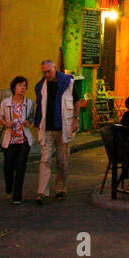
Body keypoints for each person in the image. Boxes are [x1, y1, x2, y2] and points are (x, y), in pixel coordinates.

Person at [31, 59, 86, 205]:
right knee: (45, 160)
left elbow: (76, 101)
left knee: (62, 161)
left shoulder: (68, 83)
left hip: (63, 127)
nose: (47, 74)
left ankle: (61, 187)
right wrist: (37, 124)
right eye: (44, 72)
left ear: (55, 68)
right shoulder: (40, 86)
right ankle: (41, 192)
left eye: (49, 71)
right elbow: (39, 106)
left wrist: (75, 120)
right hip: (47, 128)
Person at [0, 75, 35, 203]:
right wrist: (5, 123)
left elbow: (31, 118)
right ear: (14, 88)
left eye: (24, 86)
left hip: (24, 140)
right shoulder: (6, 103)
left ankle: (17, 196)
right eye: (20, 86)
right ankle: (9, 189)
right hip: (10, 140)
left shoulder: (29, 103)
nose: (22, 88)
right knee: (8, 167)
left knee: (21, 167)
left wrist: (28, 122)